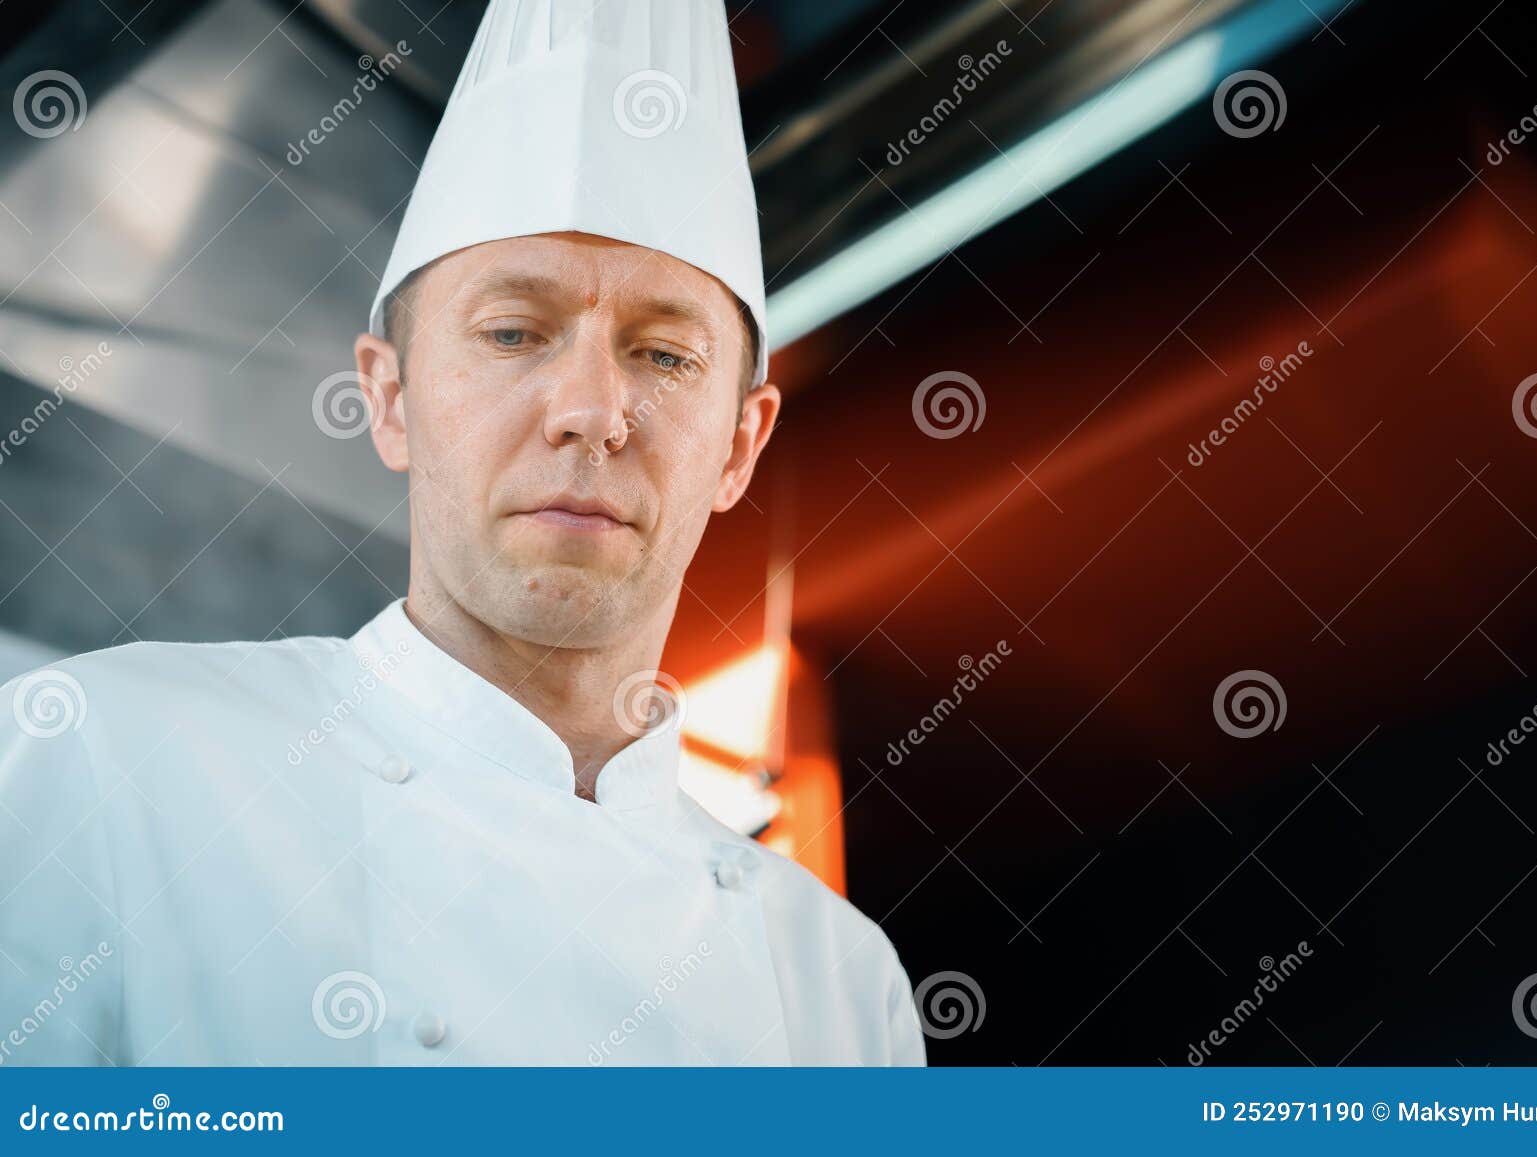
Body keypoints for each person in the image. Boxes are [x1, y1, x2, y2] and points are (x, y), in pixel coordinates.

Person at [0, 0, 924, 1066]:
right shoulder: (101, 761)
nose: (591, 410)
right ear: (388, 399)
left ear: (738, 446)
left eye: (665, 354)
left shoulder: (840, 990)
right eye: (513, 331)